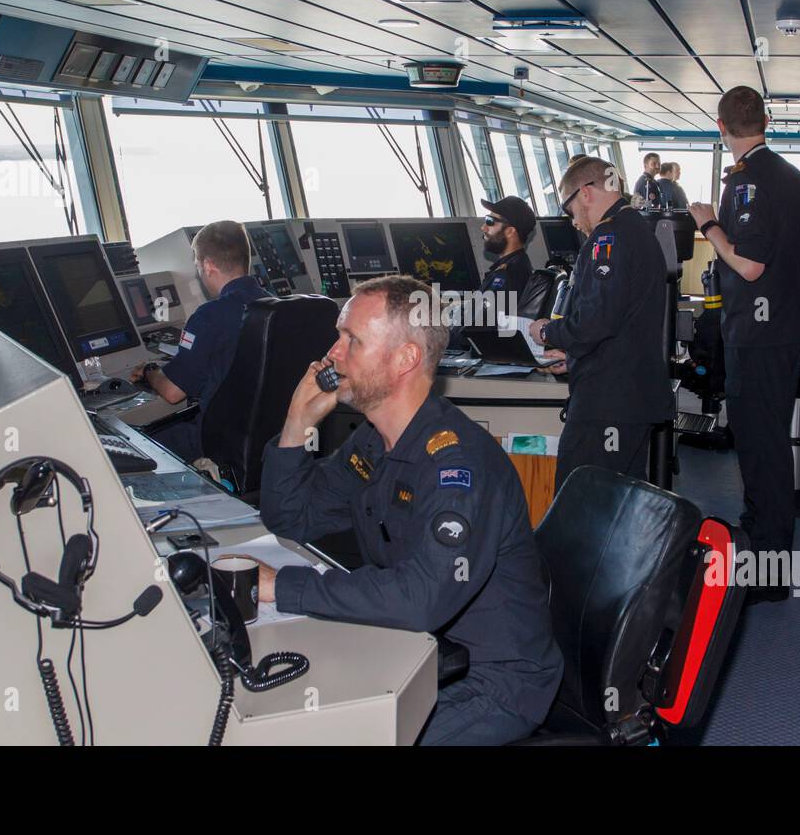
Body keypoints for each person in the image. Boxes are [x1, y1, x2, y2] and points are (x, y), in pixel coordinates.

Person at [255, 276, 563, 745]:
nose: (332, 355)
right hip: (419, 648)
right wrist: (296, 425)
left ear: (406, 359)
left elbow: (422, 597)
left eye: (351, 340)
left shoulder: (457, 466)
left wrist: (284, 587)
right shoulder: (375, 441)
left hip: (493, 681)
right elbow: (293, 518)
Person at [688, 87, 800, 604]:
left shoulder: (746, 184)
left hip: (758, 336)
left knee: (760, 446)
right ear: (765, 121)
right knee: (768, 442)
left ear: (722, 127)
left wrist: (709, 225)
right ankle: (760, 533)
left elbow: (748, 264)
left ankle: (771, 570)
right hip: (784, 330)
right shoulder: (790, 176)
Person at [527, 156, 671, 490]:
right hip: (627, 395)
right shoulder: (633, 227)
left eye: (570, 207)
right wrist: (574, 356)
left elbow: (596, 321)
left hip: (609, 401)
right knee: (621, 504)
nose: (573, 220)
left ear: (586, 192)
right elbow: (620, 321)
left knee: (585, 500)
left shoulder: (610, 238)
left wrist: (548, 331)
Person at [131, 221, 267, 462]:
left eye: (198, 265)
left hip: (217, 441)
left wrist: (149, 371)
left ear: (208, 265)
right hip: (266, 436)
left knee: (134, 445)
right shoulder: (273, 304)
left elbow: (173, 393)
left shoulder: (209, 315)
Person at [448, 196, 537, 349]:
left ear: (510, 231)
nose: (483, 227)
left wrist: (440, 338)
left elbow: (479, 329)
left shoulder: (506, 275)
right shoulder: (516, 265)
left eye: (490, 221)